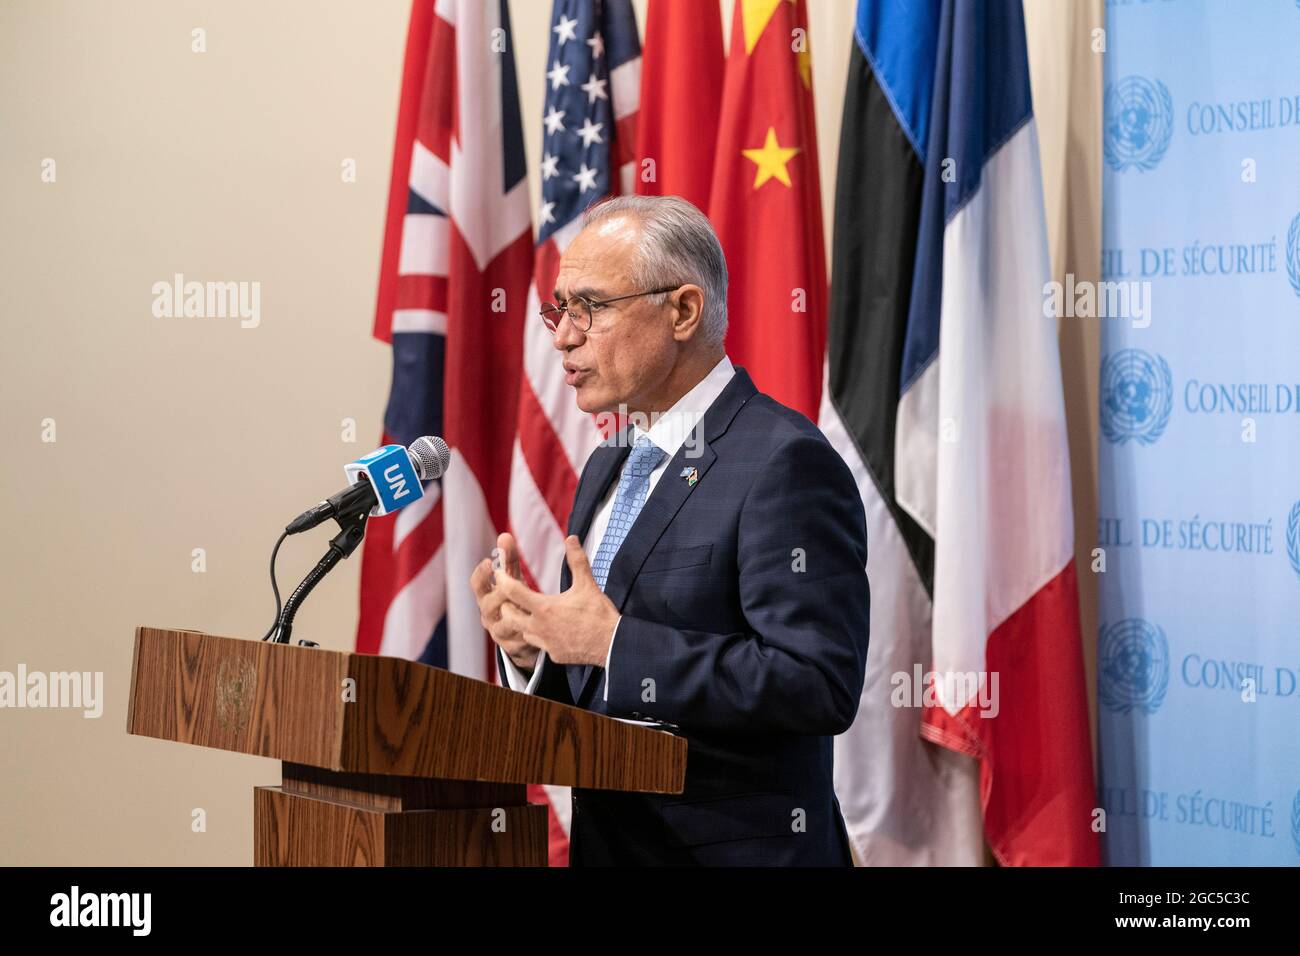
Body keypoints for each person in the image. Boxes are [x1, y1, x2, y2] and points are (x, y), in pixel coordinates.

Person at [469, 195, 869, 865]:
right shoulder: (606, 466)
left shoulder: (782, 461)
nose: (564, 335)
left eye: (589, 308)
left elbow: (817, 682)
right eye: (558, 310)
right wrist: (535, 651)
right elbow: (606, 689)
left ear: (683, 310)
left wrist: (614, 641)